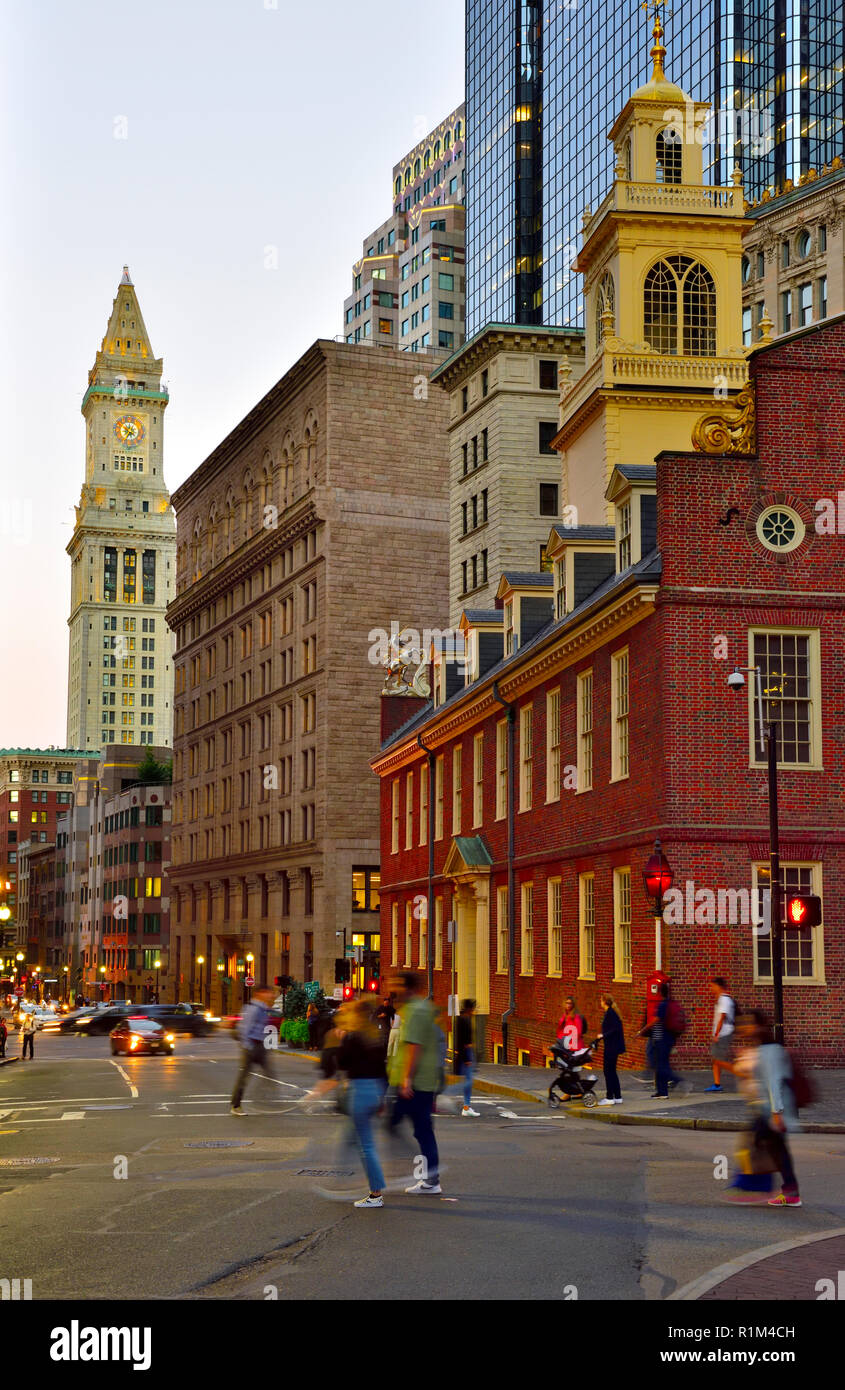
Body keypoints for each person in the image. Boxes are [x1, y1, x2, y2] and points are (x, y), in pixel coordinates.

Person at [312, 999, 388, 1208]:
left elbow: (343, 1064)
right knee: (352, 1139)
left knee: (366, 1146)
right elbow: (383, 1070)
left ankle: (375, 1192)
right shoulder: (376, 1037)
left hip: (360, 1091)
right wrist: (382, 1098)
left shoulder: (352, 1037)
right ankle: (343, 1181)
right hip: (375, 1089)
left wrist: (341, 1040)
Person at [724, 1010, 802, 1207]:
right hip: (766, 1109)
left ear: (759, 1026)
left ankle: (754, 1187)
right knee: (774, 1148)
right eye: (742, 1024)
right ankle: (786, 1191)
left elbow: (774, 1082)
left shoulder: (769, 1050)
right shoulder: (762, 1049)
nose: (744, 1027)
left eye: (748, 1023)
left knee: (758, 1144)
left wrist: (777, 1113)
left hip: (771, 1111)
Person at [388, 971, 442, 1194]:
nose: (394, 989)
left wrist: (407, 1079)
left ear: (407, 987)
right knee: (417, 1128)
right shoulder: (413, 1009)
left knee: (418, 1128)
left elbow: (414, 1046)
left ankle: (431, 1177)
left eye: (397, 985)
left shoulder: (417, 1011)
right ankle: (430, 1175)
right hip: (414, 1080)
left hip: (416, 1082)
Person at [230, 985, 275, 1114]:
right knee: (244, 1076)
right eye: (269, 993)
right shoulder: (253, 1009)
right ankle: (236, 1105)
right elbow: (244, 1029)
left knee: (269, 1074)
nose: (271, 996)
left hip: (260, 1046)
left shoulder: (263, 1008)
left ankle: (263, 1100)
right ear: (260, 993)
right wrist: (247, 1046)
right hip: (251, 1047)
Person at [596, 993, 626, 1105]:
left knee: (608, 1071)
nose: (600, 1003)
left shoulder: (610, 1013)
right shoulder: (611, 1013)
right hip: (613, 1046)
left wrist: (603, 1035)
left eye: (601, 1001)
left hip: (611, 1047)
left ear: (604, 1002)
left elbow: (615, 1029)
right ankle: (617, 1096)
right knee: (612, 1071)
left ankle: (609, 1097)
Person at [707, 976, 736, 1091]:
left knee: (719, 1060)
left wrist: (716, 1034)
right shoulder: (723, 999)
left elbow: (722, 1017)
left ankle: (743, 1074)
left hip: (723, 1034)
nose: (711, 988)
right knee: (716, 1059)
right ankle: (717, 1084)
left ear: (719, 986)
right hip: (722, 1033)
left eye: (713, 986)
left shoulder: (724, 1000)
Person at [451, 999, 479, 1117]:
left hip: (467, 1052)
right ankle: (446, 1093)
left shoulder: (464, 1019)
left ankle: (466, 1107)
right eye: (473, 1008)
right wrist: (467, 1058)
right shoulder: (462, 1020)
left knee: (469, 1081)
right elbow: (461, 1040)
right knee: (468, 1082)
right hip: (466, 1053)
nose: (474, 1011)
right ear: (469, 1009)